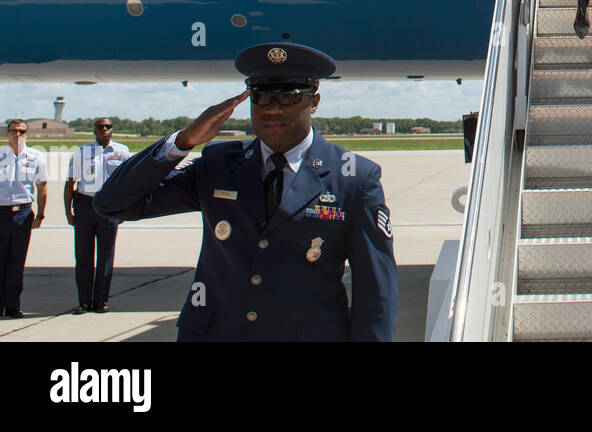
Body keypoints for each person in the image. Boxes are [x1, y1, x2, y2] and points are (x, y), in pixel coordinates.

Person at [95, 43, 398, 341]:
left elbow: (376, 292)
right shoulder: (220, 165)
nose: (273, 108)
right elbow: (112, 204)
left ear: (314, 101)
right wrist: (182, 143)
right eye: (262, 96)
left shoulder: (353, 178)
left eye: (289, 96)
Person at [64, 117, 129, 313]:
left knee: (106, 256)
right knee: (83, 256)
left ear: (113, 130)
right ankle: (84, 301)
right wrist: (69, 212)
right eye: (101, 127)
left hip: (109, 207)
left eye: (108, 127)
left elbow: (129, 182)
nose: (105, 130)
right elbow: (70, 184)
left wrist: (125, 208)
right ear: (94, 130)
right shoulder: (82, 152)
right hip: (85, 205)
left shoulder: (122, 152)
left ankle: (100, 301)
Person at [0, 119, 48, 318]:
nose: (17, 135)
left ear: (27, 134)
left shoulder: (36, 157)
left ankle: (13, 306)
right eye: (13, 131)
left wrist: (40, 214)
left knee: (17, 262)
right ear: (7, 134)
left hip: (23, 213)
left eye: (21, 131)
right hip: (0, 213)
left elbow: (42, 186)